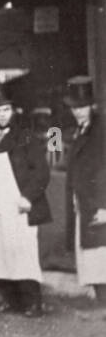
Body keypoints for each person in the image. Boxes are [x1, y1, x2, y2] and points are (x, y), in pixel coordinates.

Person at [0, 84, 50, 316]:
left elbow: (42, 171)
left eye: (5, 109)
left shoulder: (26, 135)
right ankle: (12, 300)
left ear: (13, 111)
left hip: (21, 204)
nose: (2, 115)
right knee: (3, 253)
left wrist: (28, 196)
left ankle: (33, 302)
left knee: (24, 253)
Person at [64, 76, 106, 302]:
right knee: (93, 256)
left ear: (92, 106)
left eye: (82, 107)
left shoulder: (101, 130)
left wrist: (104, 205)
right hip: (83, 201)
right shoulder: (77, 130)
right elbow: (58, 156)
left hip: (97, 203)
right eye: (74, 108)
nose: (78, 112)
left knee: (101, 254)